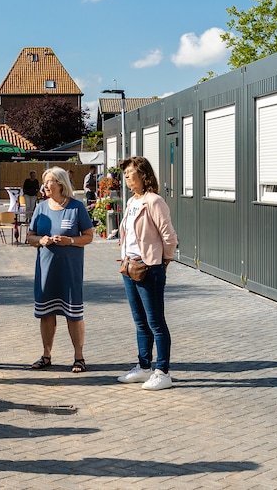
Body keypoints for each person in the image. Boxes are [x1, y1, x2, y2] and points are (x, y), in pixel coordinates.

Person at [116, 156, 178, 391]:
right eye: (125, 174)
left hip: (148, 267)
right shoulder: (133, 201)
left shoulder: (154, 201)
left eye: (130, 173)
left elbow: (169, 237)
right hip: (129, 266)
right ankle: (144, 368)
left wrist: (163, 262)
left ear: (143, 175)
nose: (126, 178)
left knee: (155, 322)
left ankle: (163, 371)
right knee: (140, 322)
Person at [26, 168, 95, 373]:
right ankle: (46, 355)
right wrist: (41, 240)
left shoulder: (76, 207)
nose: (45, 186)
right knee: (46, 314)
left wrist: (70, 241)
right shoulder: (41, 208)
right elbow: (29, 237)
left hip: (70, 271)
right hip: (46, 270)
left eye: (49, 182)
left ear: (61, 184)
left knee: (73, 314)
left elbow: (89, 236)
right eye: (45, 182)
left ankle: (79, 357)